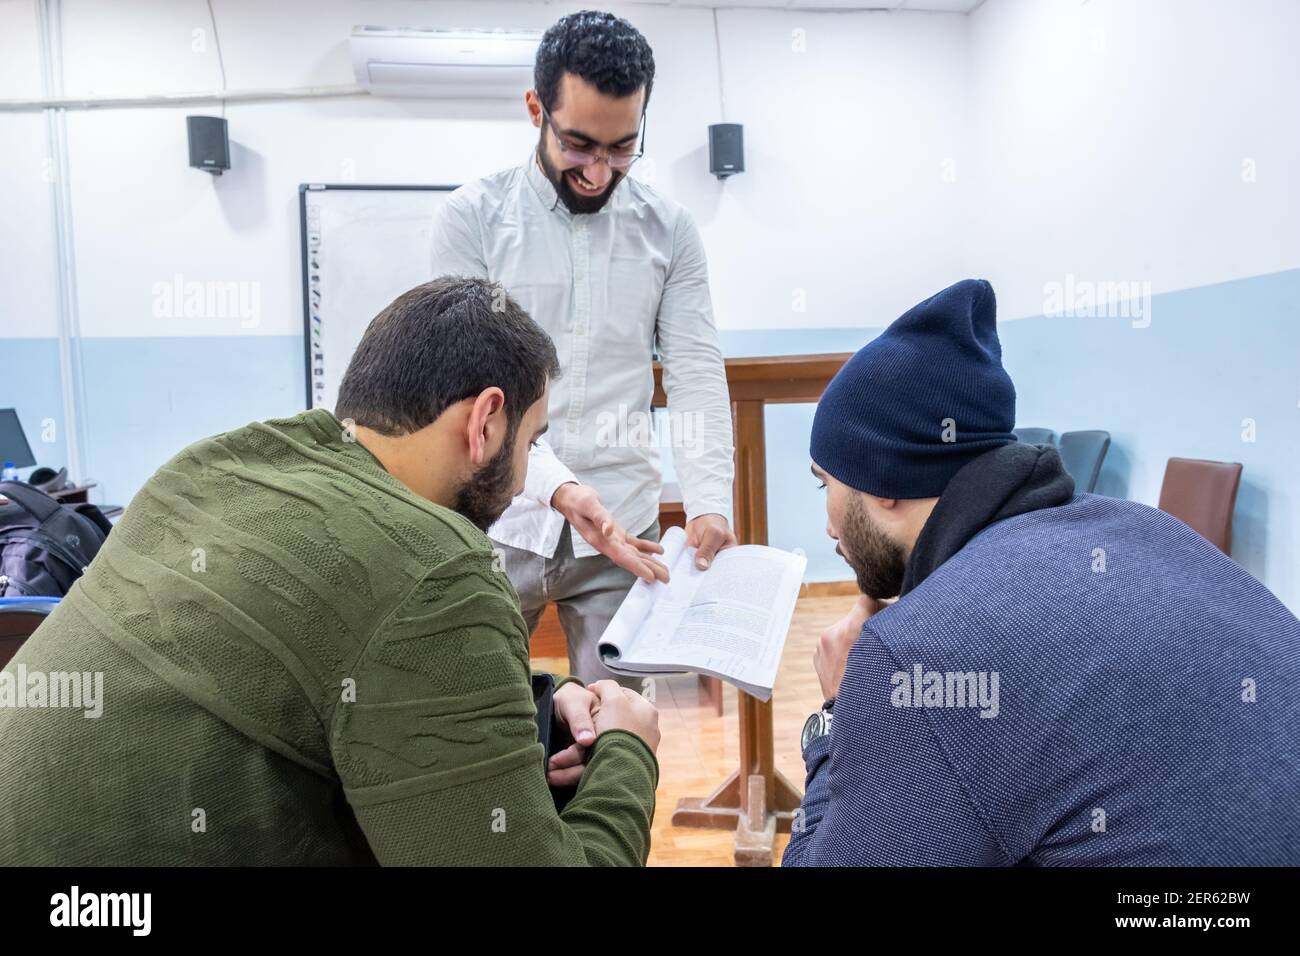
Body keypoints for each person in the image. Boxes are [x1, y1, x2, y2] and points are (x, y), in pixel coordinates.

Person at [0, 277, 660, 866]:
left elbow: (326, 658)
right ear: (485, 420)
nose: (524, 480)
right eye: (532, 441)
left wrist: (535, 700)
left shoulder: (212, 467)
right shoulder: (435, 567)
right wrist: (630, 750)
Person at [783, 278, 1300, 866]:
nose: (828, 526)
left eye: (825, 484)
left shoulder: (918, 654)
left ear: (881, 483)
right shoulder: (1155, 528)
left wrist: (833, 721)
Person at [431, 10, 736, 686]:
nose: (599, 172)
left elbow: (693, 373)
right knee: (479, 723)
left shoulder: (671, 231)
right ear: (536, 109)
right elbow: (460, 385)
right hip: (494, 522)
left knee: (617, 736)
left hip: (621, 529)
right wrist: (558, 488)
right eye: (578, 146)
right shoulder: (472, 219)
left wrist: (711, 498)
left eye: (622, 148)